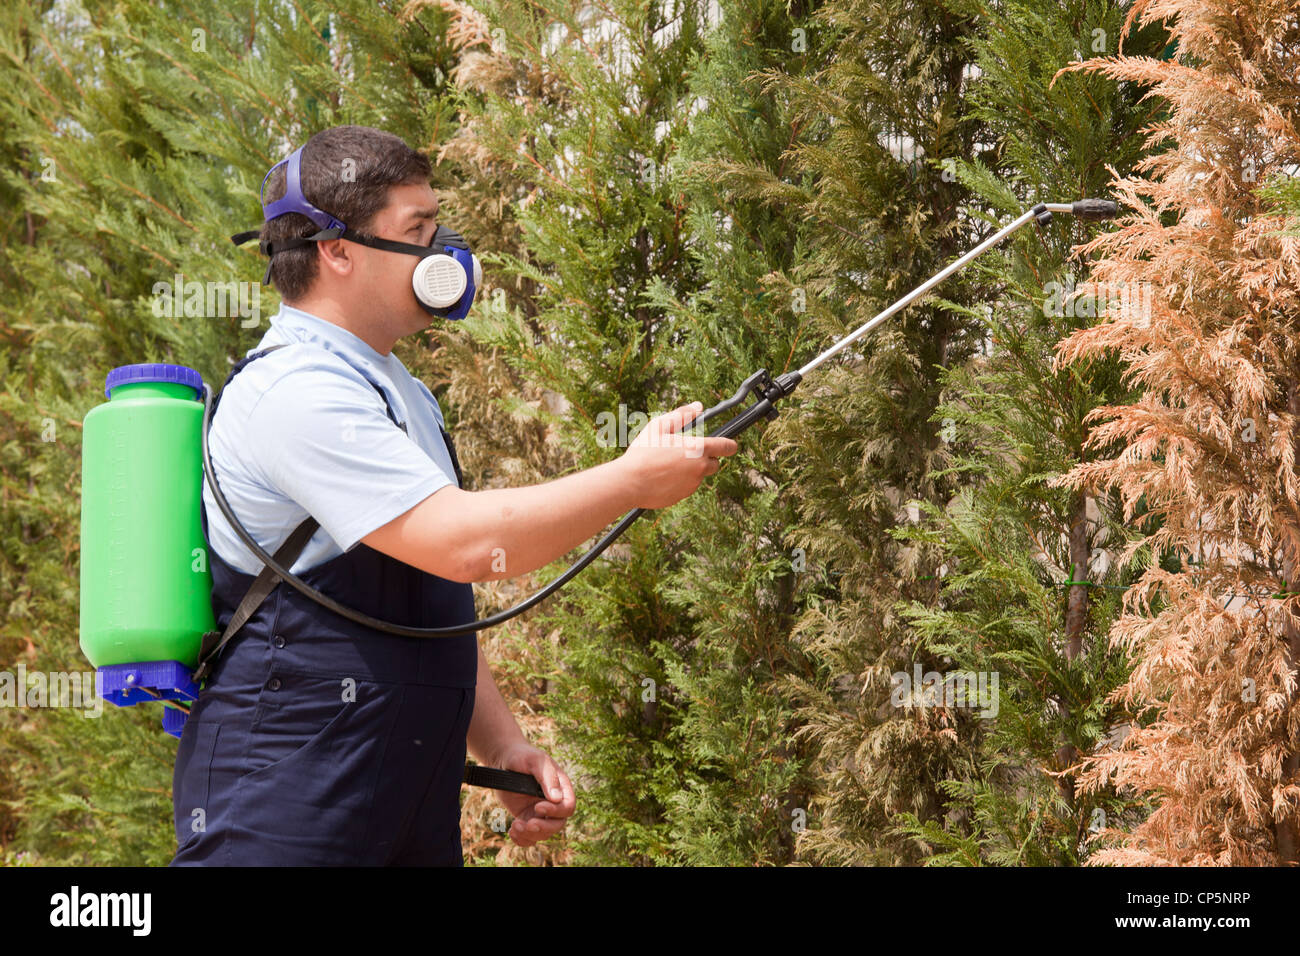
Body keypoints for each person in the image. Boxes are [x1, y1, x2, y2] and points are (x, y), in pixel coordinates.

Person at [170, 125, 739, 866]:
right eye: (419, 229)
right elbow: (465, 544)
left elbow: (428, 603)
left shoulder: (396, 388)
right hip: (283, 806)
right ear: (337, 250)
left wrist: (500, 746)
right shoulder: (295, 391)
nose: (447, 252)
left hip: (401, 801)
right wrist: (632, 481)